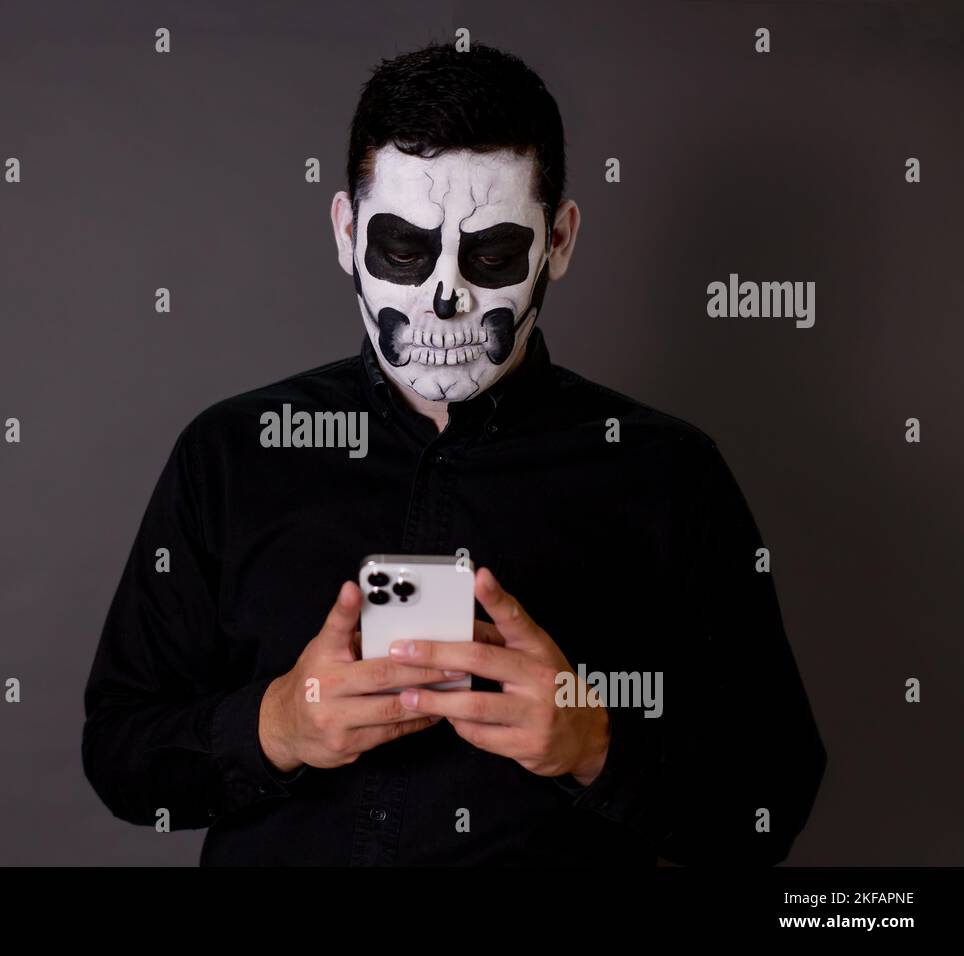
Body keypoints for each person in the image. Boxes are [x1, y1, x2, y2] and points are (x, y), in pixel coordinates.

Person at [81, 42, 826, 865]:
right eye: (404, 248)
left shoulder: (669, 474)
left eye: (493, 254)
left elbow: (774, 797)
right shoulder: (229, 453)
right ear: (344, 232)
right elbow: (119, 753)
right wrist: (275, 726)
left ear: (561, 241)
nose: (449, 298)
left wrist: (595, 746)